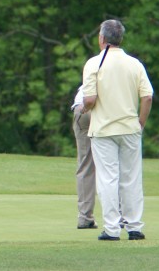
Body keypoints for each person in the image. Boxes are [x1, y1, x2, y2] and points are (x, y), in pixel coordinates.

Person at [81, 19, 153, 241]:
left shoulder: (94, 63)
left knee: (108, 179)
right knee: (131, 178)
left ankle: (112, 228)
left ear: (102, 38)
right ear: (120, 38)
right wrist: (140, 122)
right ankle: (134, 227)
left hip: (103, 129)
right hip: (129, 128)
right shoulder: (134, 64)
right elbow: (147, 96)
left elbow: (90, 99)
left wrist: (83, 108)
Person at [71, 85, 97, 229]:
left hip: (81, 107)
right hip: (101, 110)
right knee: (113, 164)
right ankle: (121, 218)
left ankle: (85, 218)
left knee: (85, 165)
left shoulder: (90, 70)